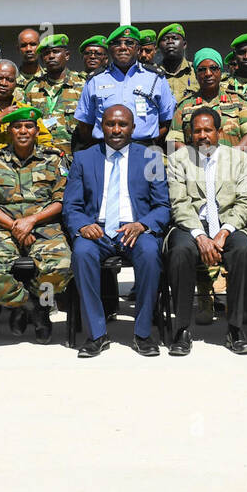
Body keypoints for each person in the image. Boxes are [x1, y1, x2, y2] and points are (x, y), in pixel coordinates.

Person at [64, 105, 171, 358]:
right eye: (110, 123)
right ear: (101, 127)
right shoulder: (84, 158)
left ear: (133, 128)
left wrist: (142, 225)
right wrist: (82, 225)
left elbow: (162, 205)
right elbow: (71, 205)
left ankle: (143, 333)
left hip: (134, 228)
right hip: (97, 230)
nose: (116, 129)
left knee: (149, 252)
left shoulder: (150, 158)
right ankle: (96, 334)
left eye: (122, 124)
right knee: (81, 252)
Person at [0, 107, 71, 345]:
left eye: (28, 126)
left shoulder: (54, 158)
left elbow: (61, 200)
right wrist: (15, 226)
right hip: (1, 227)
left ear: (37, 130)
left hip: (44, 226)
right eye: (17, 127)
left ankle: (42, 305)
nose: (23, 131)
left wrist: (31, 221)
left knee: (61, 266)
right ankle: (27, 305)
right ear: (9, 131)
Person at [165, 108, 247, 356]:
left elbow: (245, 202)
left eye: (208, 130)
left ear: (219, 132)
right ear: (190, 134)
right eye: (197, 131)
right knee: (180, 251)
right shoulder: (178, 159)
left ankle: (236, 328)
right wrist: (201, 236)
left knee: (242, 250)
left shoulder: (239, 159)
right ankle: (182, 329)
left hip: (229, 223)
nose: (203, 135)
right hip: (192, 224)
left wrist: (223, 233)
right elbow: (179, 204)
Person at [74, 25, 176, 145]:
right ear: (110, 49)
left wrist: (149, 143)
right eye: (117, 43)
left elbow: (167, 120)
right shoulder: (95, 79)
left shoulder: (156, 78)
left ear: (138, 49)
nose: (123, 48)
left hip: (144, 150)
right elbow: (85, 124)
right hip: (104, 150)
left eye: (129, 43)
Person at [167, 49, 247, 150]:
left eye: (213, 68)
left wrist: (232, 154)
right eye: (202, 69)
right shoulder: (185, 105)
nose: (208, 73)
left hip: (231, 163)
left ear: (220, 72)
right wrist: (192, 158)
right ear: (196, 74)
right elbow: (173, 139)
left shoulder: (238, 101)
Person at [23, 34, 86, 152]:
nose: (51, 56)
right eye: (46, 53)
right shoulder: (32, 87)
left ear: (67, 55)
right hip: (41, 160)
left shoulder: (82, 85)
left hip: (74, 158)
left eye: (56, 52)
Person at [156, 23, 201, 102]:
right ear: (159, 47)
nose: (170, 42)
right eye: (165, 39)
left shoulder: (196, 71)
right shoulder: (152, 74)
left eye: (175, 38)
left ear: (184, 44)